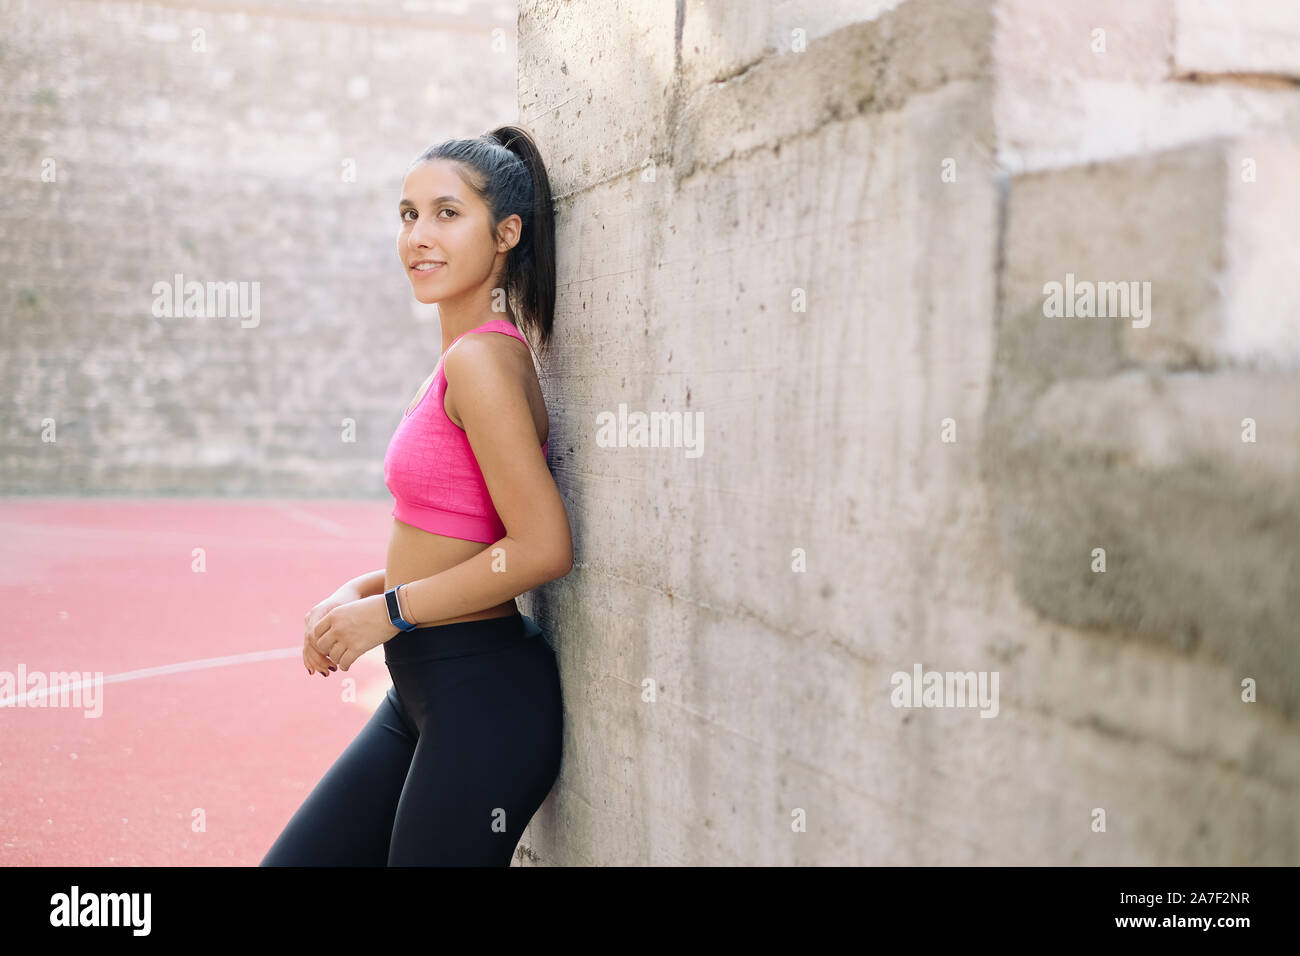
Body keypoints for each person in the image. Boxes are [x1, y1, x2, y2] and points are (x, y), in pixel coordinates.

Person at [260, 125, 569, 867]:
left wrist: (388, 611)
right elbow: (461, 530)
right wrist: (358, 591)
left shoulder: (483, 363)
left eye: (446, 213)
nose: (419, 237)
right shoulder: (455, 362)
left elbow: (542, 547)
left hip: (483, 695)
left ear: (507, 233)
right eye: (407, 215)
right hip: (423, 692)